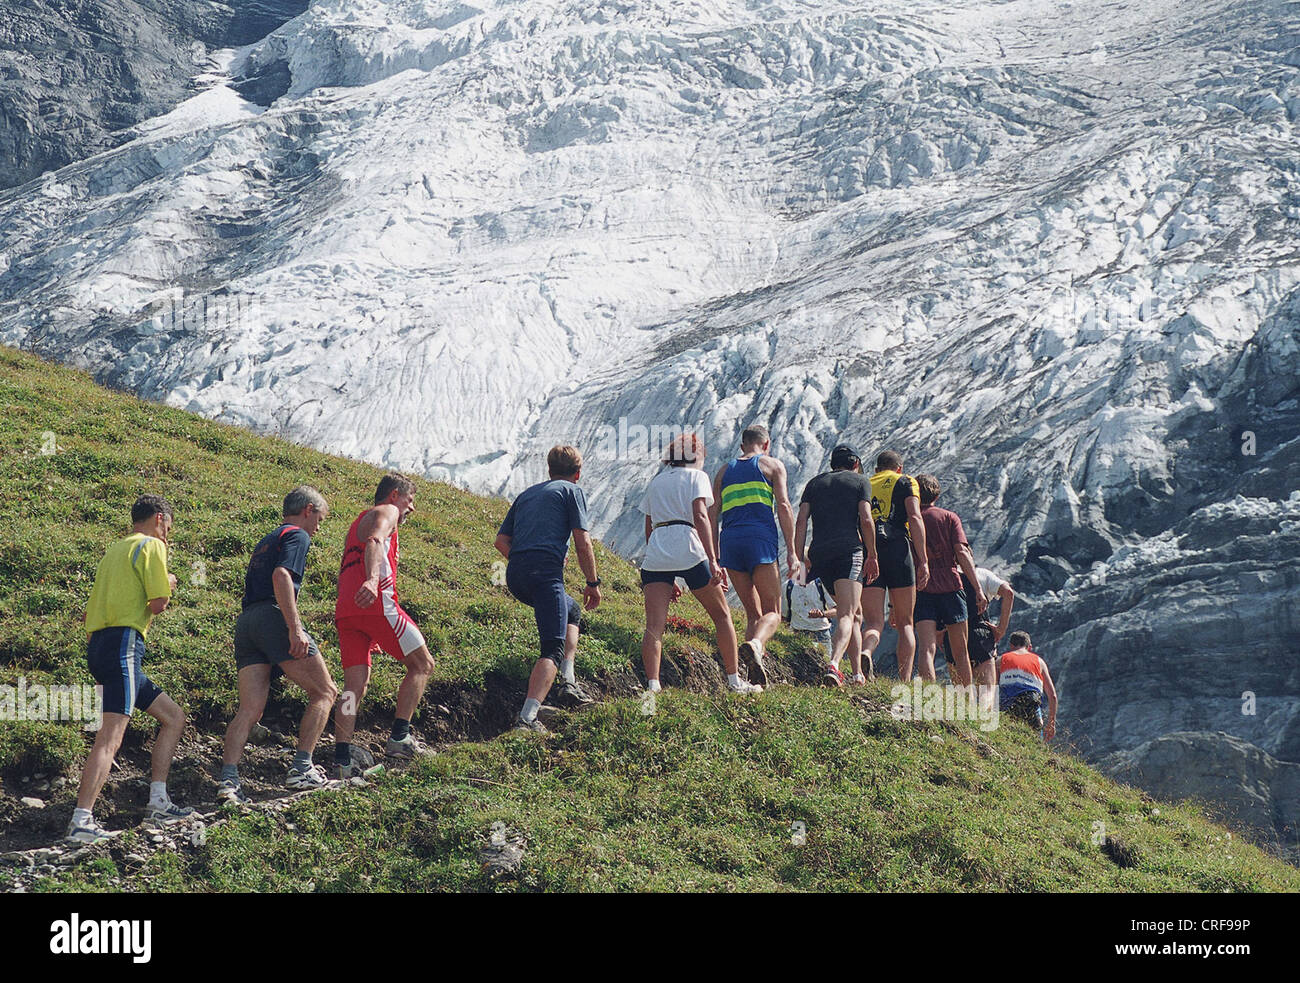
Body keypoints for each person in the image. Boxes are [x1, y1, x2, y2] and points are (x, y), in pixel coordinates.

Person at [67, 495, 192, 845]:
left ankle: (158, 801)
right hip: (125, 645)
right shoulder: (152, 546)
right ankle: (81, 820)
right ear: (158, 518)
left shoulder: (113, 551)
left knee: (173, 717)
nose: (169, 532)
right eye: (168, 524)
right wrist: (168, 582)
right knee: (110, 737)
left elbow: (87, 614)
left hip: (101, 646)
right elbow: (158, 603)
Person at [218, 486, 339, 803]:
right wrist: (295, 628)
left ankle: (228, 782)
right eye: (319, 520)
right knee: (325, 691)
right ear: (308, 510)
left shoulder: (267, 539)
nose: (317, 528)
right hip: (273, 617)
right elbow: (282, 575)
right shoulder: (297, 535)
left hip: (247, 623)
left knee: (249, 709)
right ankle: (301, 767)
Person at [332, 473, 437, 777]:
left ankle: (342, 758)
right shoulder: (386, 512)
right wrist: (373, 579)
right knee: (422, 665)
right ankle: (400, 738)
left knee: (353, 687)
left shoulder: (357, 521)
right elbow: (376, 540)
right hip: (377, 604)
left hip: (348, 612)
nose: (411, 508)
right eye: (410, 499)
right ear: (394, 496)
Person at [638, 435, 760, 694]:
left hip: (657, 552)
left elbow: (649, 526)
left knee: (654, 627)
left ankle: (653, 686)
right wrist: (714, 560)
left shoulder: (656, 482)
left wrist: (664, 569)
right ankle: (734, 681)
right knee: (722, 615)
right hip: (690, 547)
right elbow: (701, 516)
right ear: (694, 455)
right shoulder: (697, 477)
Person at [495, 445, 602, 732]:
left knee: (572, 610)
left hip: (516, 574)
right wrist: (592, 582)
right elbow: (583, 542)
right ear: (577, 474)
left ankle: (567, 681)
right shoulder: (572, 491)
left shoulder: (527, 494)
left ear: (549, 470)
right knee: (551, 648)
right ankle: (527, 718)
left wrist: (524, 558)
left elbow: (501, 541)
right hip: (545, 574)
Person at [710, 424, 800, 688]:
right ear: (767, 444)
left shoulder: (724, 470)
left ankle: (750, 679)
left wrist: (715, 554)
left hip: (730, 541)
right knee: (773, 610)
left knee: (753, 614)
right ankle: (757, 644)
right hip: (759, 539)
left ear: (742, 446)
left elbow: (713, 513)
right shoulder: (772, 466)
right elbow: (783, 505)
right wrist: (792, 552)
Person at [794, 444, 879, 686]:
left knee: (855, 613)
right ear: (855, 463)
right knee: (846, 613)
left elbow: (801, 522)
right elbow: (865, 518)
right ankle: (834, 665)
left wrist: (800, 559)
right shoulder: (860, 481)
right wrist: (872, 554)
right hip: (848, 551)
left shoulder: (814, 484)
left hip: (819, 553)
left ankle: (857, 674)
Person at [913, 474, 986, 686]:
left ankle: (928, 695)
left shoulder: (911, 519)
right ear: (937, 493)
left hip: (922, 586)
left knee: (927, 646)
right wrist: (978, 589)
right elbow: (962, 553)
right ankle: (967, 700)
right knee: (960, 649)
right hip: (951, 586)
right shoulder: (949, 517)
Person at [861, 451, 928, 681]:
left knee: (873, 621)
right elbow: (915, 517)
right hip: (899, 549)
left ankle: (866, 652)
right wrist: (923, 560)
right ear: (898, 468)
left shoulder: (865, 483)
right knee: (906, 623)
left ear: (877, 469)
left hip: (870, 552)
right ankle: (905, 680)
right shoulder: (906, 481)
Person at [943, 565, 1014, 709]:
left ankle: (964, 723)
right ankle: (983, 719)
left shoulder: (944, 575)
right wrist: (1001, 629)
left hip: (951, 635)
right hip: (979, 634)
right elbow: (1009, 593)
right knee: (987, 690)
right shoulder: (981, 573)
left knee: (961, 692)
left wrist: (941, 635)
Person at [997, 631, 1057, 741]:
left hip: (1008, 705)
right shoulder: (1040, 662)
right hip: (1032, 703)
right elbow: (1052, 695)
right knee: (1034, 743)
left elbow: (991, 688)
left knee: (1009, 740)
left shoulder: (1001, 660)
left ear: (1011, 645)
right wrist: (1051, 724)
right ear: (1029, 647)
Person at [783, 576, 834, 663]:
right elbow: (783, 615)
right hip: (797, 634)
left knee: (824, 666)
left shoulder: (821, 584)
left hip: (821, 634)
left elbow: (837, 610)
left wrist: (822, 614)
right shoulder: (788, 586)